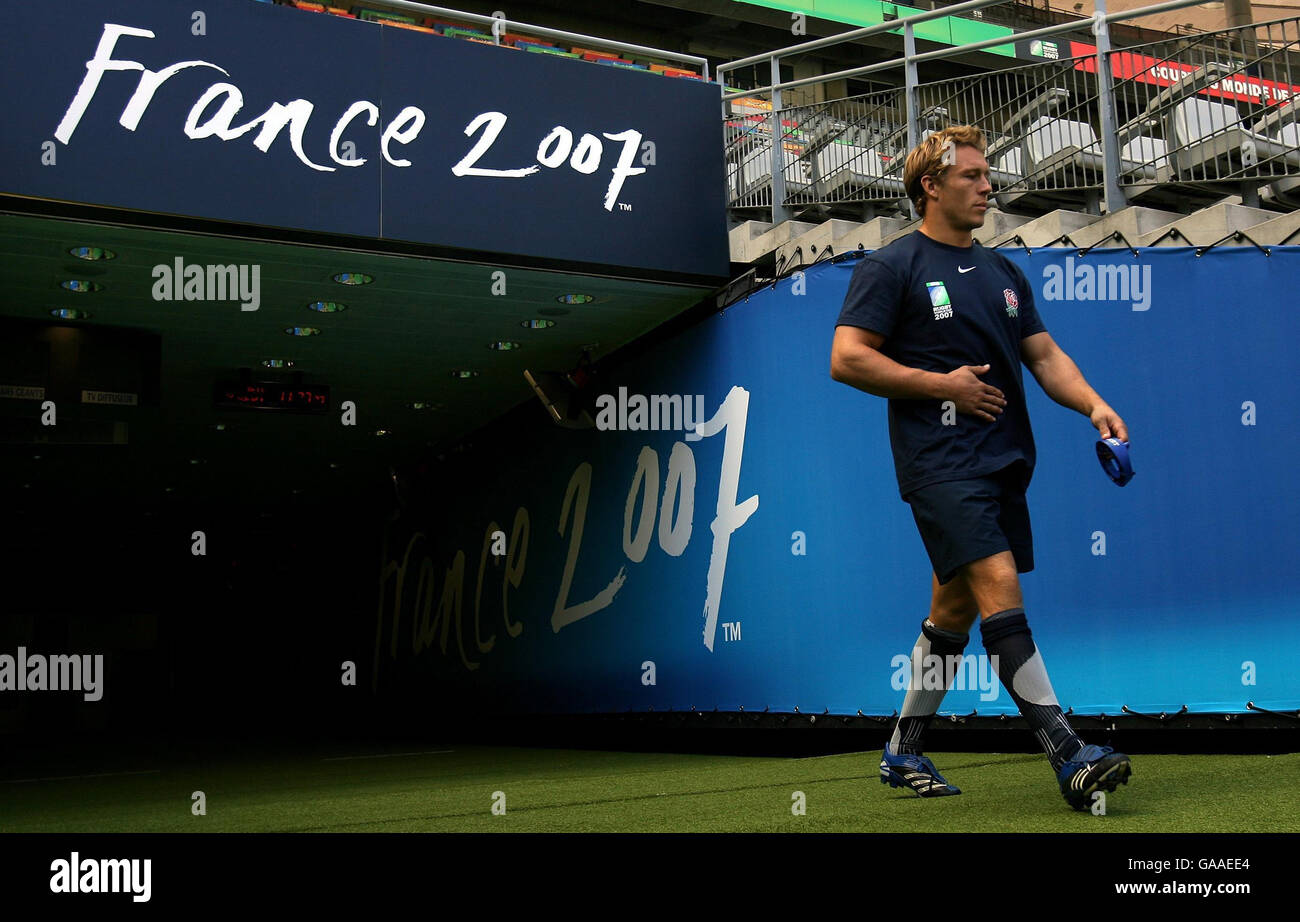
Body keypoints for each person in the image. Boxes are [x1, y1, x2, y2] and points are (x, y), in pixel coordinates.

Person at [828, 125, 1132, 810]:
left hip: (1003, 462)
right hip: (939, 464)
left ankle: (903, 749)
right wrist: (943, 386)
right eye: (971, 175)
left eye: (987, 173)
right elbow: (846, 357)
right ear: (930, 187)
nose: (987, 184)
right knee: (996, 582)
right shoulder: (893, 266)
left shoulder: (1002, 271)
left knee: (955, 606)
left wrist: (1094, 404)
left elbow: (1045, 356)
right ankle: (1068, 752)